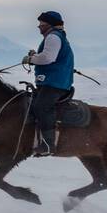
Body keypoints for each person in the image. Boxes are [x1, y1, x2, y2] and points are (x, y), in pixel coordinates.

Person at [22, 10, 74, 157]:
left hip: (54, 83)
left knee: (41, 107)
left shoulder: (53, 37)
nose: (39, 26)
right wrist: (35, 56)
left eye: (41, 23)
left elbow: (48, 58)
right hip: (54, 82)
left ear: (49, 24)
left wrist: (31, 59)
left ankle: (48, 145)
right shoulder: (56, 37)